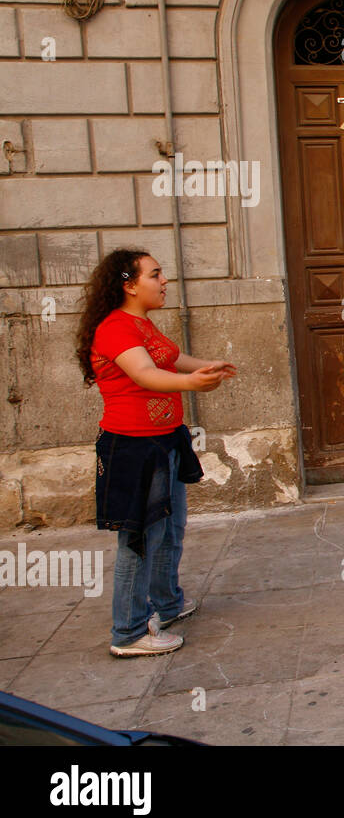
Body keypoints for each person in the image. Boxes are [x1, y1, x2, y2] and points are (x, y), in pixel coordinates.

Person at [75, 249, 235, 657]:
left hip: (165, 439)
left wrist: (207, 366)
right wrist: (192, 385)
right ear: (129, 284)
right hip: (133, 448)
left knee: (171, 529)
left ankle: (166, 604)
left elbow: (171, 358)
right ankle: (127, 631)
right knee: (140, 539)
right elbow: (145, 374)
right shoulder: (114, 328)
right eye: (155, 274)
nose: (164, 282)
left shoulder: (142, 324)